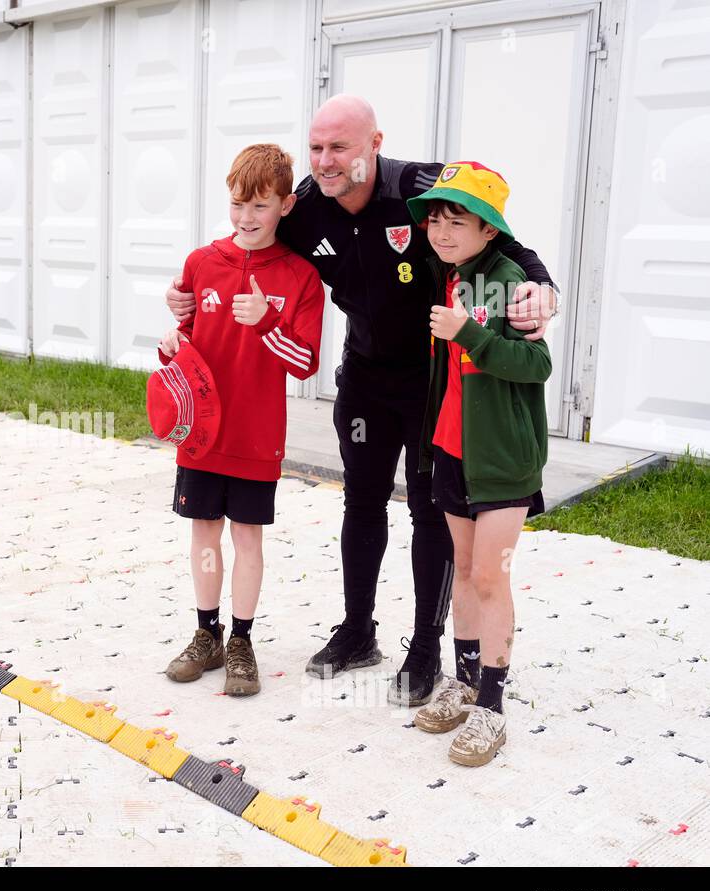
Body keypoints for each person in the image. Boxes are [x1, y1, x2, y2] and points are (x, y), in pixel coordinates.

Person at [166, 95, 558, 706]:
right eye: (317, 146)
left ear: (374, 143)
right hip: (365, 377)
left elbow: (500, 239)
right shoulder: (304, 208)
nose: (324, 160)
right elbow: (251, 236)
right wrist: (189, 295)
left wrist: (541, 288)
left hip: (430, 380)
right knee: (362, 502)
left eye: (339, 147)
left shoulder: (419, 188)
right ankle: (357, 630)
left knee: (429, 511)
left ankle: (427, 646)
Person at [159, 144, 324, 697]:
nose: (247, 218)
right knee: (204, 531)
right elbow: (188, 338)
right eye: (237, 205)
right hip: (202, 435)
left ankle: (242, 640)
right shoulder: (202, 262)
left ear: (285, 206)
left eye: (260, 206)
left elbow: (305, 362)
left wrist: (266, 320)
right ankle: (206, 633)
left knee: (247, 536)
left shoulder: (302, 277)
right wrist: (170, 345)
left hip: (256, 436)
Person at [407, 161, 549, 765]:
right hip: (453, 450)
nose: (441, 230)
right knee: (463, 570)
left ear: (489, 229)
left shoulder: (509, 281)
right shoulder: (451, 273)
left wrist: (470, 333)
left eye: (457, 220)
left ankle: (491, 709)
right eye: (435, 218)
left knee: (491, 577)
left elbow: (535, 367)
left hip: (503, 461)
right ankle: (463, 682)